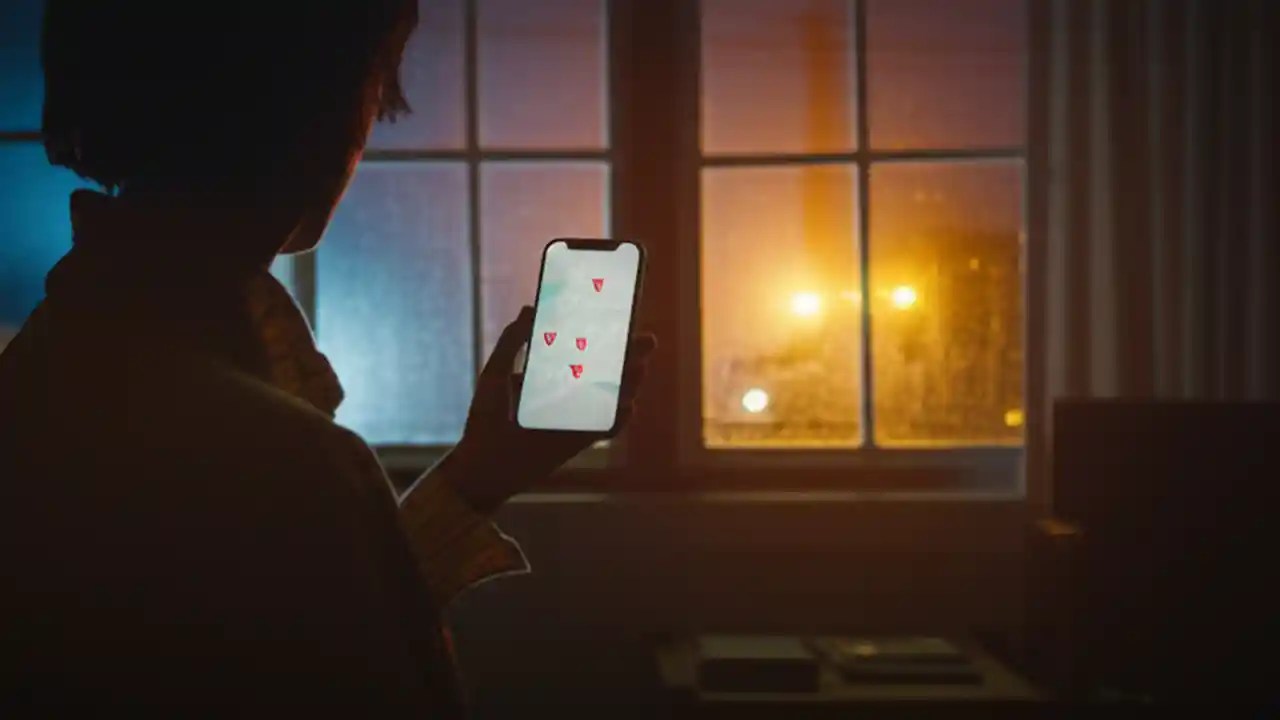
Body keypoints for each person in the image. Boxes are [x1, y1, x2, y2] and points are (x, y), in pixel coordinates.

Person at [0, 1, 654, 714]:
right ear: (315, 112)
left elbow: (295, 616)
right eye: (376, 90)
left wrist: (481, 473)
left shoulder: (52, 368)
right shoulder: (285, 458)